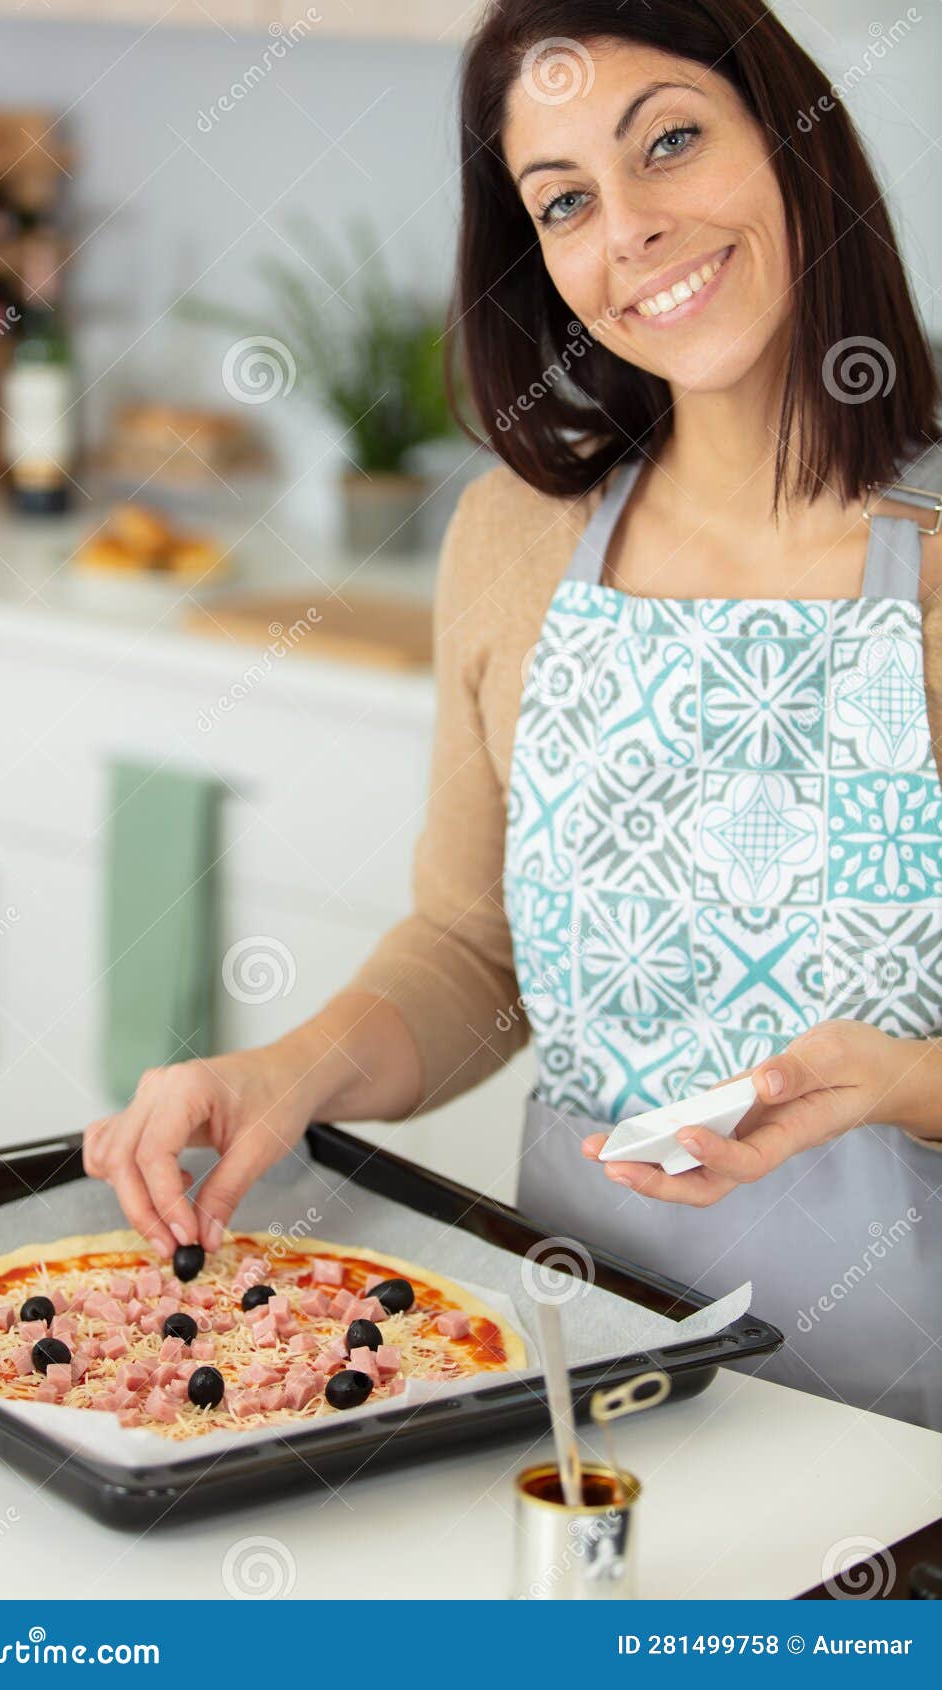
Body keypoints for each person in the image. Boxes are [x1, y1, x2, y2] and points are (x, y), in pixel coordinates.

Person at [85, 0, 942, 1429]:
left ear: (796, 141)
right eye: (564, 200)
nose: (632, 227)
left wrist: (904, 1082)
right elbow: (471, 949)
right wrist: (280, 1073)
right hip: (578, 1380)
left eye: (669, 140)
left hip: (898, 1430)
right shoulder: (514, 539)